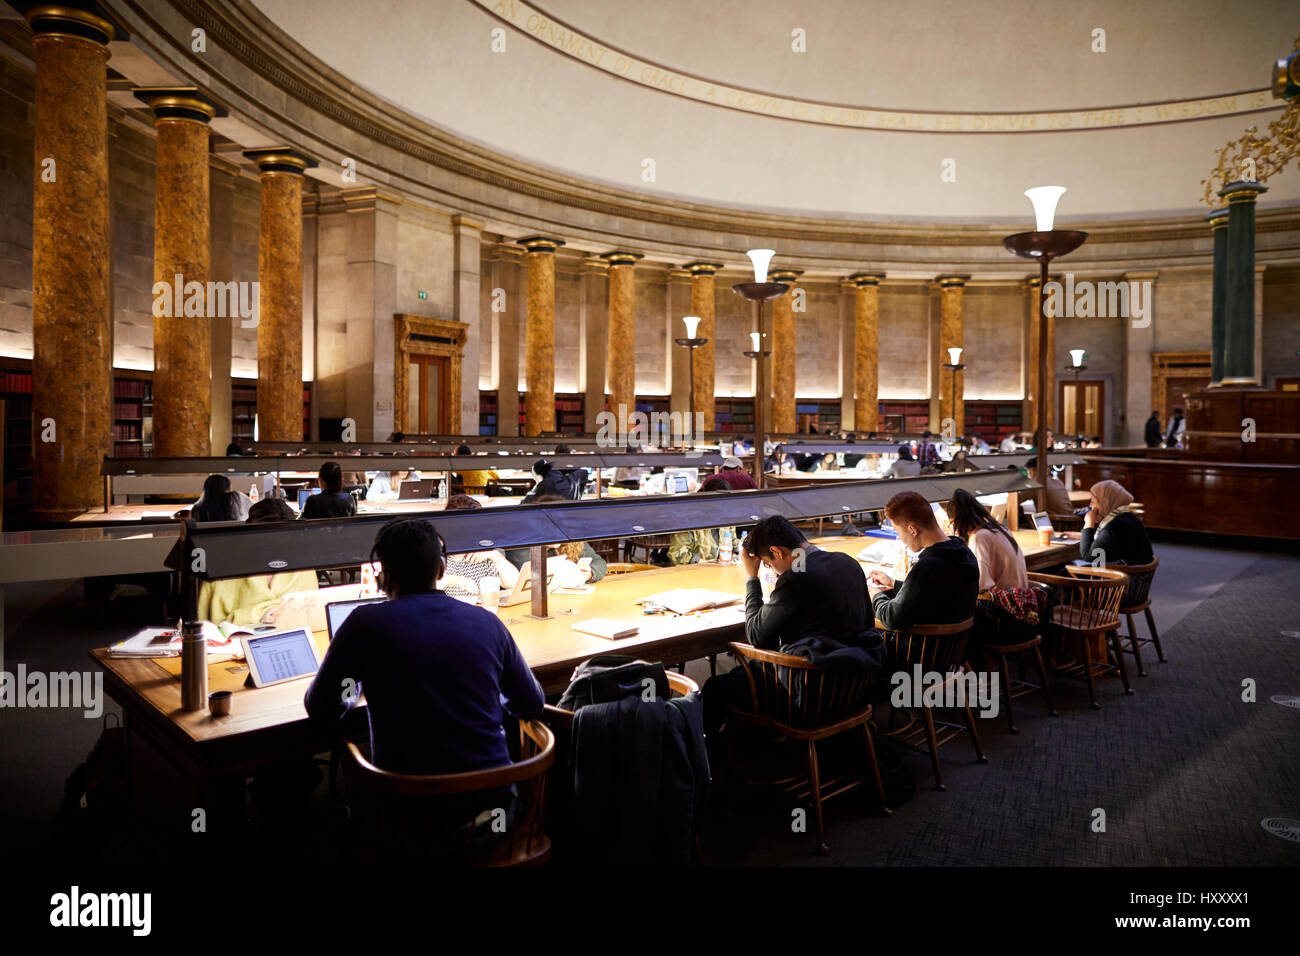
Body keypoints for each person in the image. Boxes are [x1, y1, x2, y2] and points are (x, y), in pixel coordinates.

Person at [305, 517, 544, 775]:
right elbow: (531, 704)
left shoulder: (363, 625)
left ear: (382, 575)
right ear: (441, 570)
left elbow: (322, 709)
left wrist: (355, 683)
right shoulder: (488, 622)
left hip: (408, 807)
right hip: (491, 804)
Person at [702, 516, 887, 733]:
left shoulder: (796, 578)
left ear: (778, 551)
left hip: (810, 693)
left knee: (715, 687)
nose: (773, 571)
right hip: (853, 686)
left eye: (769, 564)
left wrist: (752, 578)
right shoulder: (847, 562)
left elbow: (756, 636)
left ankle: (703, 759)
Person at [867, 491, 979, 631]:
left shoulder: (929, 567)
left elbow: (892, 618)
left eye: (897, 531)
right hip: (954, 647)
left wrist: (874, 594)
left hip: (921, 649)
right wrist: (892, 583)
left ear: (912, 530)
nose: (900, 538)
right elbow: (931, 592)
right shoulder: (963, 552)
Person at [196, 497, 318, 625]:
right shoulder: (223, 570)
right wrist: (260, 614)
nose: (275, 551)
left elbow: (311, 614)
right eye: (268, 543)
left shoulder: (303, 568)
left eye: (283, 542)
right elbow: (208, 627)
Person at [503, 495, 607, 581]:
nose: (559, 533)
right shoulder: (519, 549)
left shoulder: (572, 541)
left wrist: (590, 572)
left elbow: (600, 563)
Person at [944, 489, 1027, 592]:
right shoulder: (1001, 529)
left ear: (957, 521)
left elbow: (981, 583)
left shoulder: (980, 537)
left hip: (1005, 602)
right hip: (1020, 596)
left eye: (953, 525)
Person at [1080, 480, 1153, 566]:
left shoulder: (1114, 527)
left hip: (1120, 576)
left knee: (1063, 568)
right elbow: (1106, 541)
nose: (1090, 506)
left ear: (1105, 502)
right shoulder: (1129, 517)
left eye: (1093, 501)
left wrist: (1089, 523)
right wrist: (1082, 535)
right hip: (1134, 574)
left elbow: (1088, 556)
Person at [668, 476, 734, 564]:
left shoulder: (726, 520)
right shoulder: (689, 520)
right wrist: (701, 562)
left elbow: (734, 544)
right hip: (692, 572)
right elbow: (677, 554)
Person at [521, 458, 587, 502]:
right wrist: (578, 497)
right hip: (572, 513)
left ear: (540, 475)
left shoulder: (543, 486)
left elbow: (527, 503)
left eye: (534, 475)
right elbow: (584, 472)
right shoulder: (570, 478)